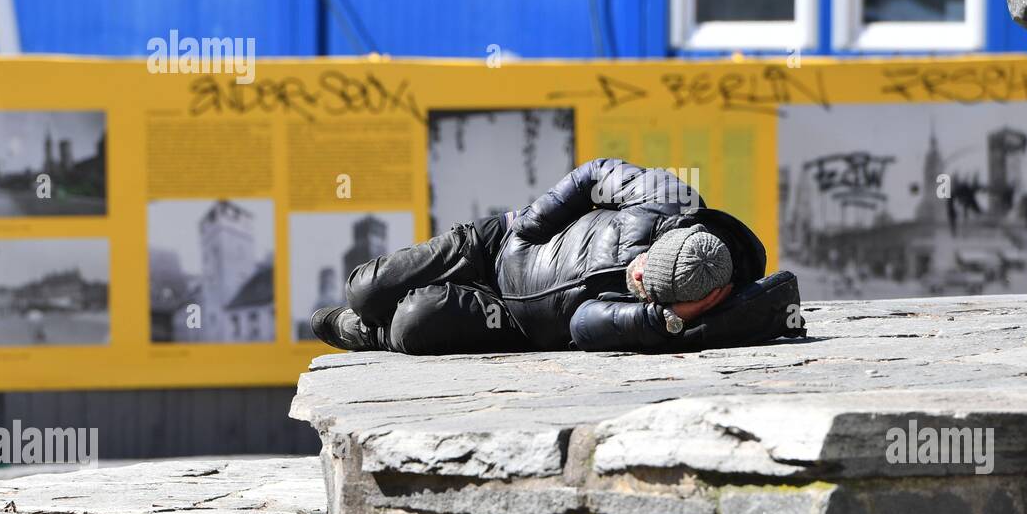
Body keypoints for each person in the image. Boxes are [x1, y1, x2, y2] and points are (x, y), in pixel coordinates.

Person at [310, 157, 800, 354]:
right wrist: (531, 224)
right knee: (366, 287)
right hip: (496, 244)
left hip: (515, 320)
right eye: (646, 266)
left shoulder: (675, 312)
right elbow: (595, 172)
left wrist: (667, 320)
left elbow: (586, 324)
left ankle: (365, 334)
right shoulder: (669, 199)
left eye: (647, 288)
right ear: (671, 234)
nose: (636, 276)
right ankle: (361, 312)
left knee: (411, 324)